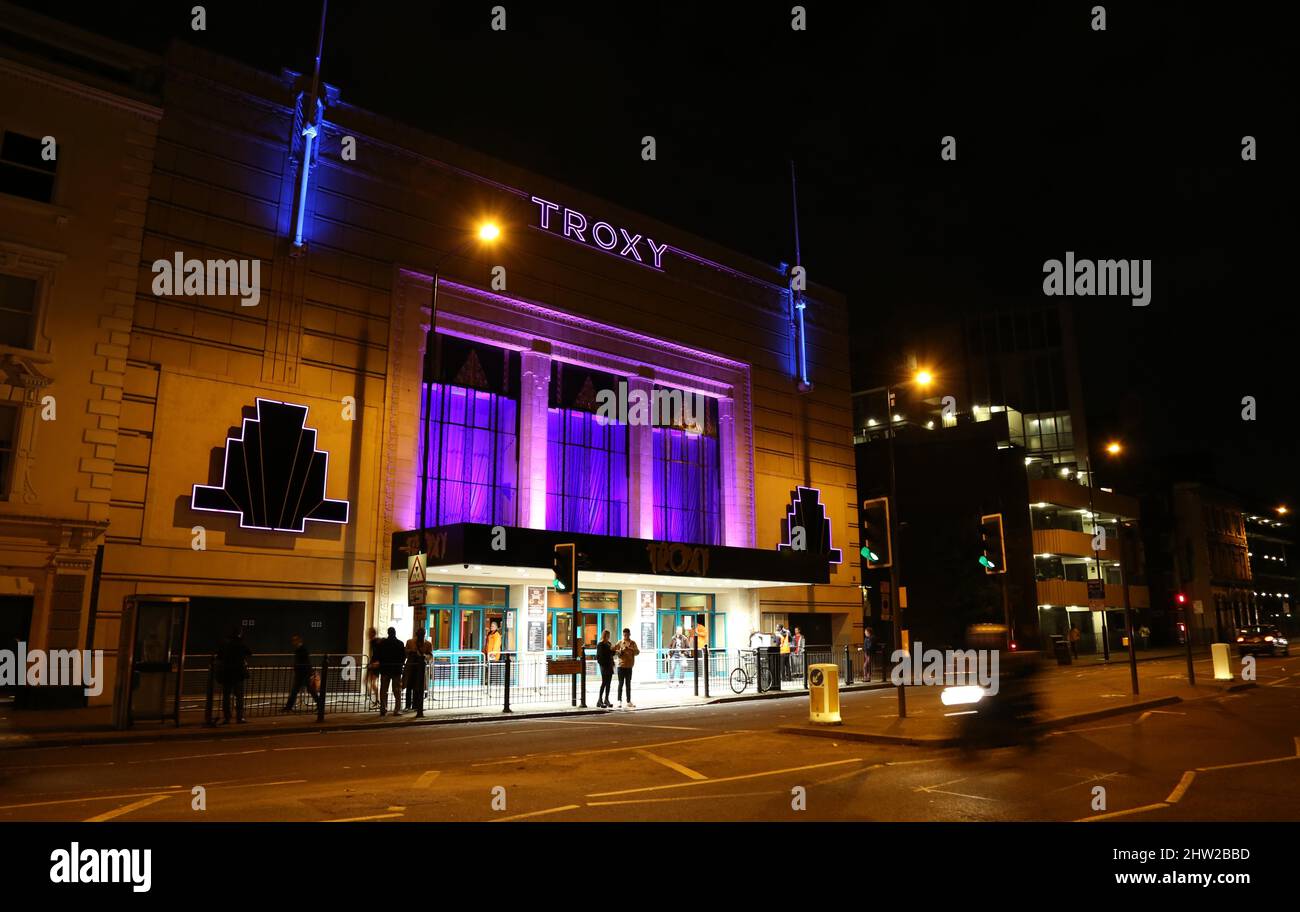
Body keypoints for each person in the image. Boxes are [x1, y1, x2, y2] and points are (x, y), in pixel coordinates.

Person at [217, 626, 250, 724]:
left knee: (226, 697)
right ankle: (239, 718)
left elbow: (219, 656)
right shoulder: (241, 644)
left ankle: (227, 718)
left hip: (227, 673)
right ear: (239, 634)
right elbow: (249, 652)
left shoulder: (225, 644)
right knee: (239, 697)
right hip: (238, 674)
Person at [284, 634, 321, 712]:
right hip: (303, 674)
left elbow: (303, 662)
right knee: (303, 690)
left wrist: (297, 668)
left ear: (298, 641)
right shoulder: (301, 649)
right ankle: (288, 707)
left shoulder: (302, 649)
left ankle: (288, 707)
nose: (293, 642)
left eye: (294, 640)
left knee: (302, 690)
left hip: (304, 674)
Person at [376, 627, 406, 716]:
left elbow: (379, 655)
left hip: (385, 669)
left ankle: (383, 708)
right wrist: (400, 664)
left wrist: (382, 664)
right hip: (396, 669)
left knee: (383, 690)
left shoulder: (383, 644)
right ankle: (397, 709)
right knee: (397, 690)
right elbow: (403, 657)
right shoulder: (400, 643)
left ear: (388, 633)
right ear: (395, 633)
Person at [403, 626, 431, 717]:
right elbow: (405, 652)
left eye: (422, 635)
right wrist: (411, 651)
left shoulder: (427, 644)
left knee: (418, 687)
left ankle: (416, 705)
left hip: (420, 668)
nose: (421, 637)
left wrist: (424, 656)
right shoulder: (410, 642)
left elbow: (430, 656)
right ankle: (408, 705)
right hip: (411, 666)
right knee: (409, 686)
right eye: (420, 635)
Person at [613, 627, 640, 708]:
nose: (626, 636)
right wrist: (621, 651)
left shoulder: (633, 643)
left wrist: (630, 649)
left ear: (629, 634)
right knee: (620, 684)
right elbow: (615, 652)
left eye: (627, 635)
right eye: (624, 635)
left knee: (628, 684)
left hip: (629, 666)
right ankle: (619, 701)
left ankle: (628, 701)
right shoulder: (620, 642)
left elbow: (637, 652)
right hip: (621, 666)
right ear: (623, 634)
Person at [595, 630, 615, 708]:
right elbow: (599, 656)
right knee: (604, 682)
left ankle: (607, 699)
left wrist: (613, 650)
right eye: (607, 635)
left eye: (609, 635)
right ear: (604, 635)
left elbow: (611, 654)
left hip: (609, 665)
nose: (608, 637)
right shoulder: (600, 644)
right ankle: (600, 700)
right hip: (604, 665)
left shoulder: (609, 643)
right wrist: (602, 664)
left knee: (609, 683)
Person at [366, 626, 381, 705]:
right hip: (373, 662)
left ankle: (377, 699)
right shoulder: (372, 641)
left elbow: (377, 653)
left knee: (372, 682)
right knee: (366, 681)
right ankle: (374, 697)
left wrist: (377, 662)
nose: (367, 634)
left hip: (375, 663)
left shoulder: (376, 641)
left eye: (369, 632)